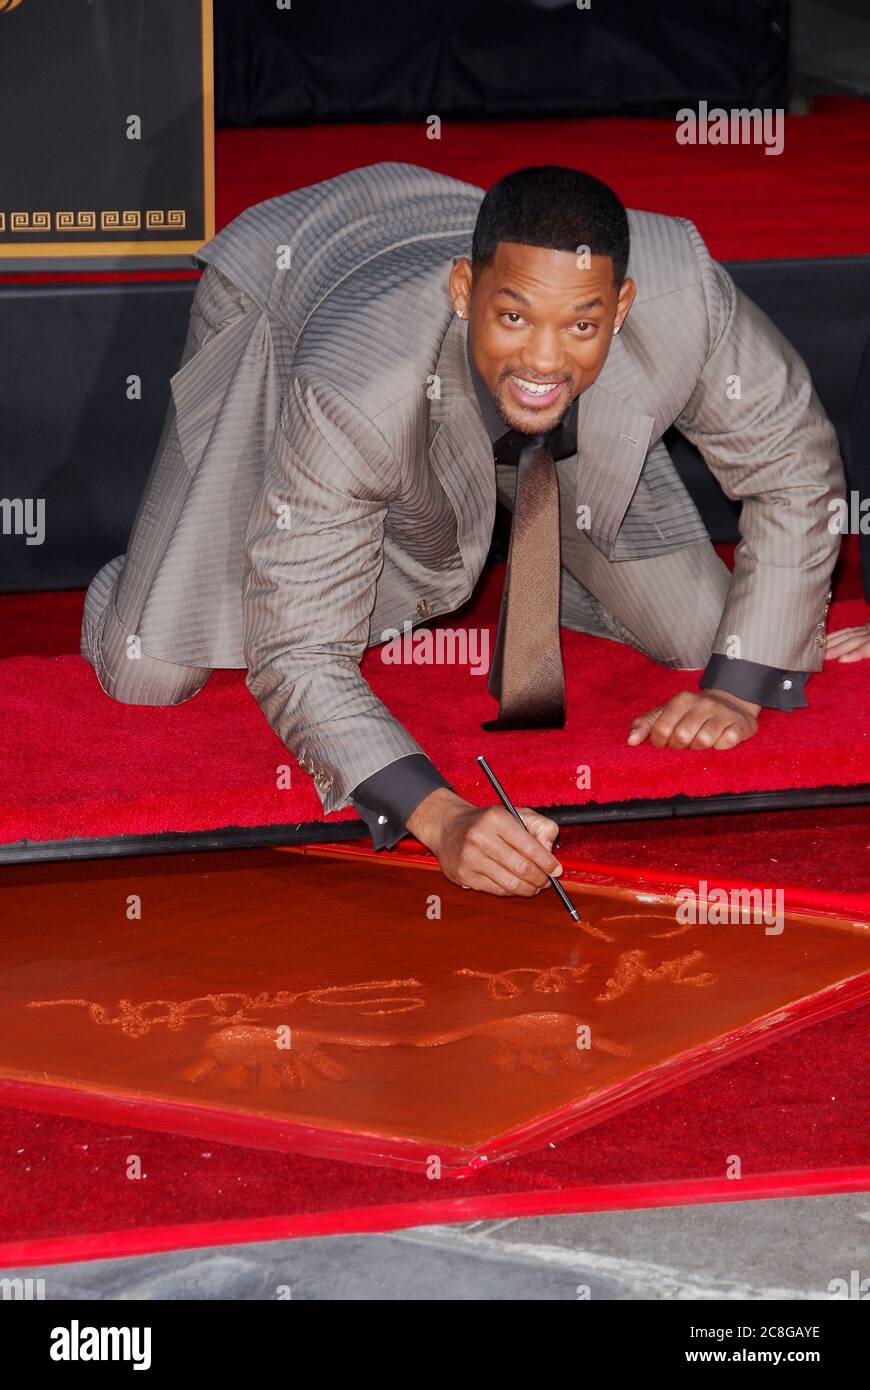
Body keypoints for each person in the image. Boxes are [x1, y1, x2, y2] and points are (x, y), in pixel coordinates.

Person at [81, 163, 844, 898]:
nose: (545, 355)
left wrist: (744, 687)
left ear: (621, 307)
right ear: (465, 290)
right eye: (513, 317)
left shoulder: (689, 294)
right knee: (150, 668)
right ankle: (164, 570)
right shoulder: (357, 390)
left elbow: (794, 465)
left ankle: (532, 528)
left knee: (717, 632)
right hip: (286, 284)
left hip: (466, 323)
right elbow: (300, 649)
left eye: (582, 323)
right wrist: (442, 819)